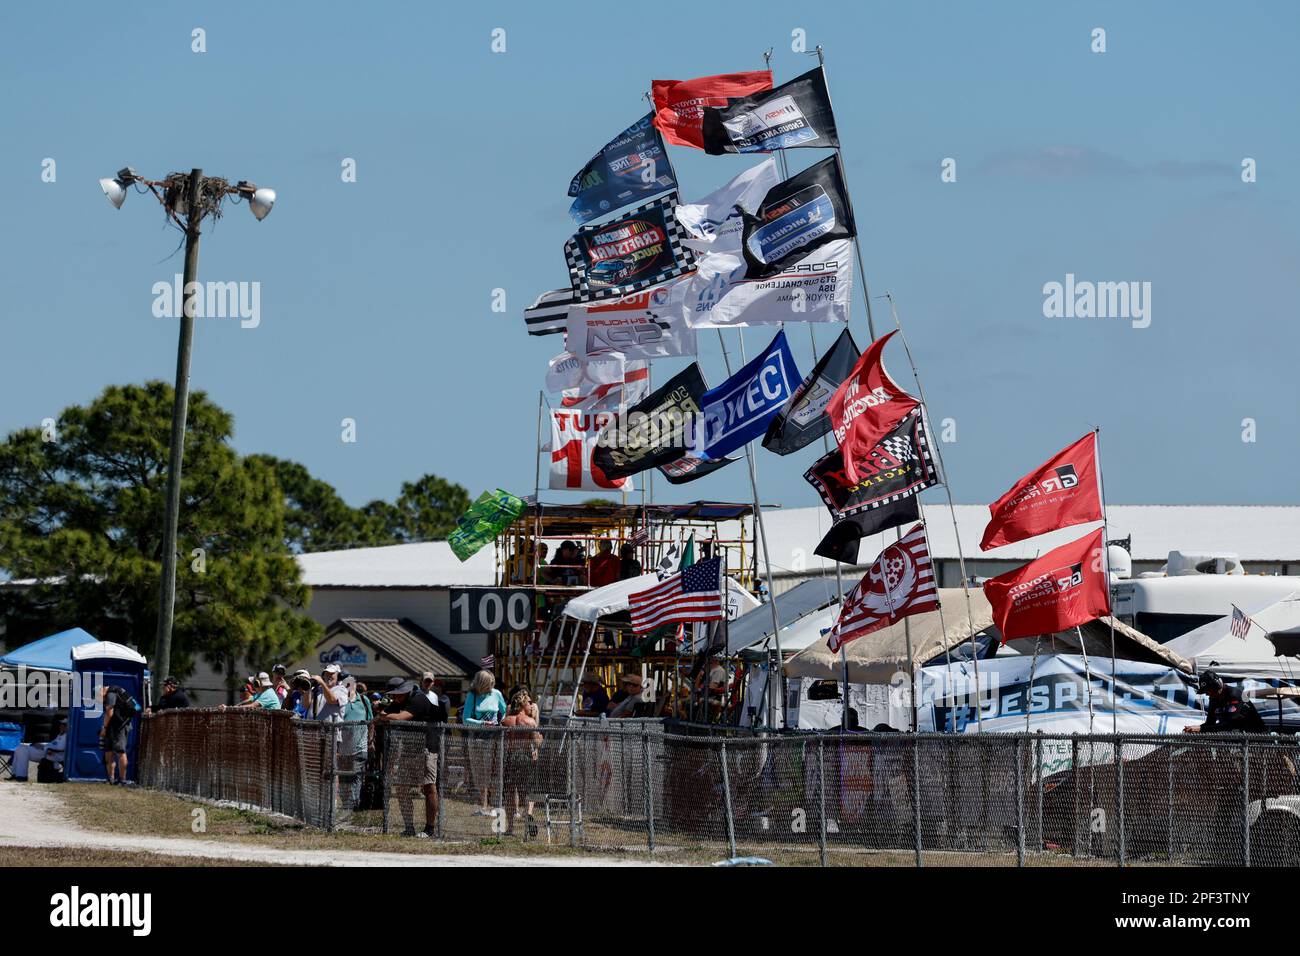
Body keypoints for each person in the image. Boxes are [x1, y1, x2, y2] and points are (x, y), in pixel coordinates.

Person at [378, 680, 447, 838]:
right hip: (409, 749)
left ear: (406, 691)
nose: (395, 698)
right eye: (392, 695)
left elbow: (402, 717)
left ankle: (429, 829)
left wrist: (385, 716)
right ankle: (409, 827)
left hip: (427, 747)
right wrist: (381, 711)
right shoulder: (398, 701)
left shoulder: (419, 699)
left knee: (429, 787)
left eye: (397, 694)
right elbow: (382, 714)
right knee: (402, 788)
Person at [462, 669, 508, 815]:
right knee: (479, 772)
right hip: (476, 738)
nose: (491, 686)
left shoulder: (497, 694)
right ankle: (483, 805)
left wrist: (499, 722)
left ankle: (496, 804)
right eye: (488, 683)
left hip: (493, 738)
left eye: (492, 683)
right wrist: (481, 724)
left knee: (493, 770)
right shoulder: (472, 695)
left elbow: (504, 710)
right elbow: (465, 719)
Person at [501, 689, 541, 834]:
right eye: (529, 702)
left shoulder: (506, 721)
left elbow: (501, 742)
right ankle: (528, 815)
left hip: (510, 757)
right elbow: (536, 742)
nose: (531, 705)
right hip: (525, 757)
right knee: (528, 790)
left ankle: (510, 827)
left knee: (510, 791)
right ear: (523, 704)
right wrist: (540, 737)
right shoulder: (530, 722)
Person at [1184, 670, 1266, 733]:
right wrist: (1194, 729)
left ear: (1217, 686)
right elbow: (1210, 723)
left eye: (1209, 691)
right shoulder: (1214, 698)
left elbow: (1230, 724)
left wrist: (1201, 729)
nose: (1208, 695)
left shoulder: (1235, 695)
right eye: (1206, 692)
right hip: (1235, 735)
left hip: (1253, 736)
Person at [99, 684, 140, 785]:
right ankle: (111, 778)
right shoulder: (116, 691)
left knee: (120, 750)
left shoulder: (111, 693)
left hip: (121, 725)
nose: (100, 700)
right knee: (108, 750)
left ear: (102, 690)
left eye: (99, 697)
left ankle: (122, 779)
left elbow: (109, 712)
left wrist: (104, 728)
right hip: (114, 725)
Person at [11, 717, 68, 782]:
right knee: (20, 747)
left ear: (66, 726)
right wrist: (41, 745)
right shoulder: (61, 735)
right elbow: (52, 744)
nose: (61, 726)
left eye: (63, 724)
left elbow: (60, 748)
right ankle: (15, 774)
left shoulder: (66, 736)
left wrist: (43, 747)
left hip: (52, 755)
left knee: (22, 750)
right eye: (61, 724)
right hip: (48, 752)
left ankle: (21, 776)